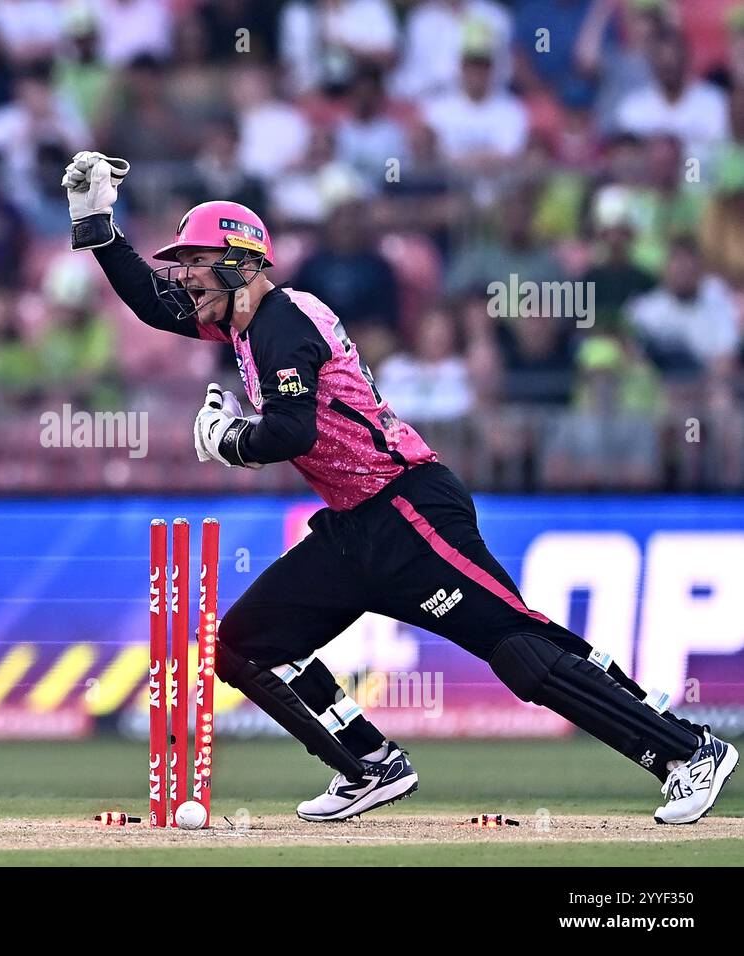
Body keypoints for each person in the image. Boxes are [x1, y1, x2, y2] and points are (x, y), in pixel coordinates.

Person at [63, 149, 737, 824]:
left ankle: (688, 752)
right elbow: (154, 306)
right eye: (180, 262)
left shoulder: (282, 325)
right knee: (247, 644)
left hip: (412, 511)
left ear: (240, 262)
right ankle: (368, 765)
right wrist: (98, 224)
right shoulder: (240, 317)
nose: (182, 275)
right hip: (356, 527)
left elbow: (292, 431)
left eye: (195, 261)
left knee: (522, 652)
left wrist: (228, 439)